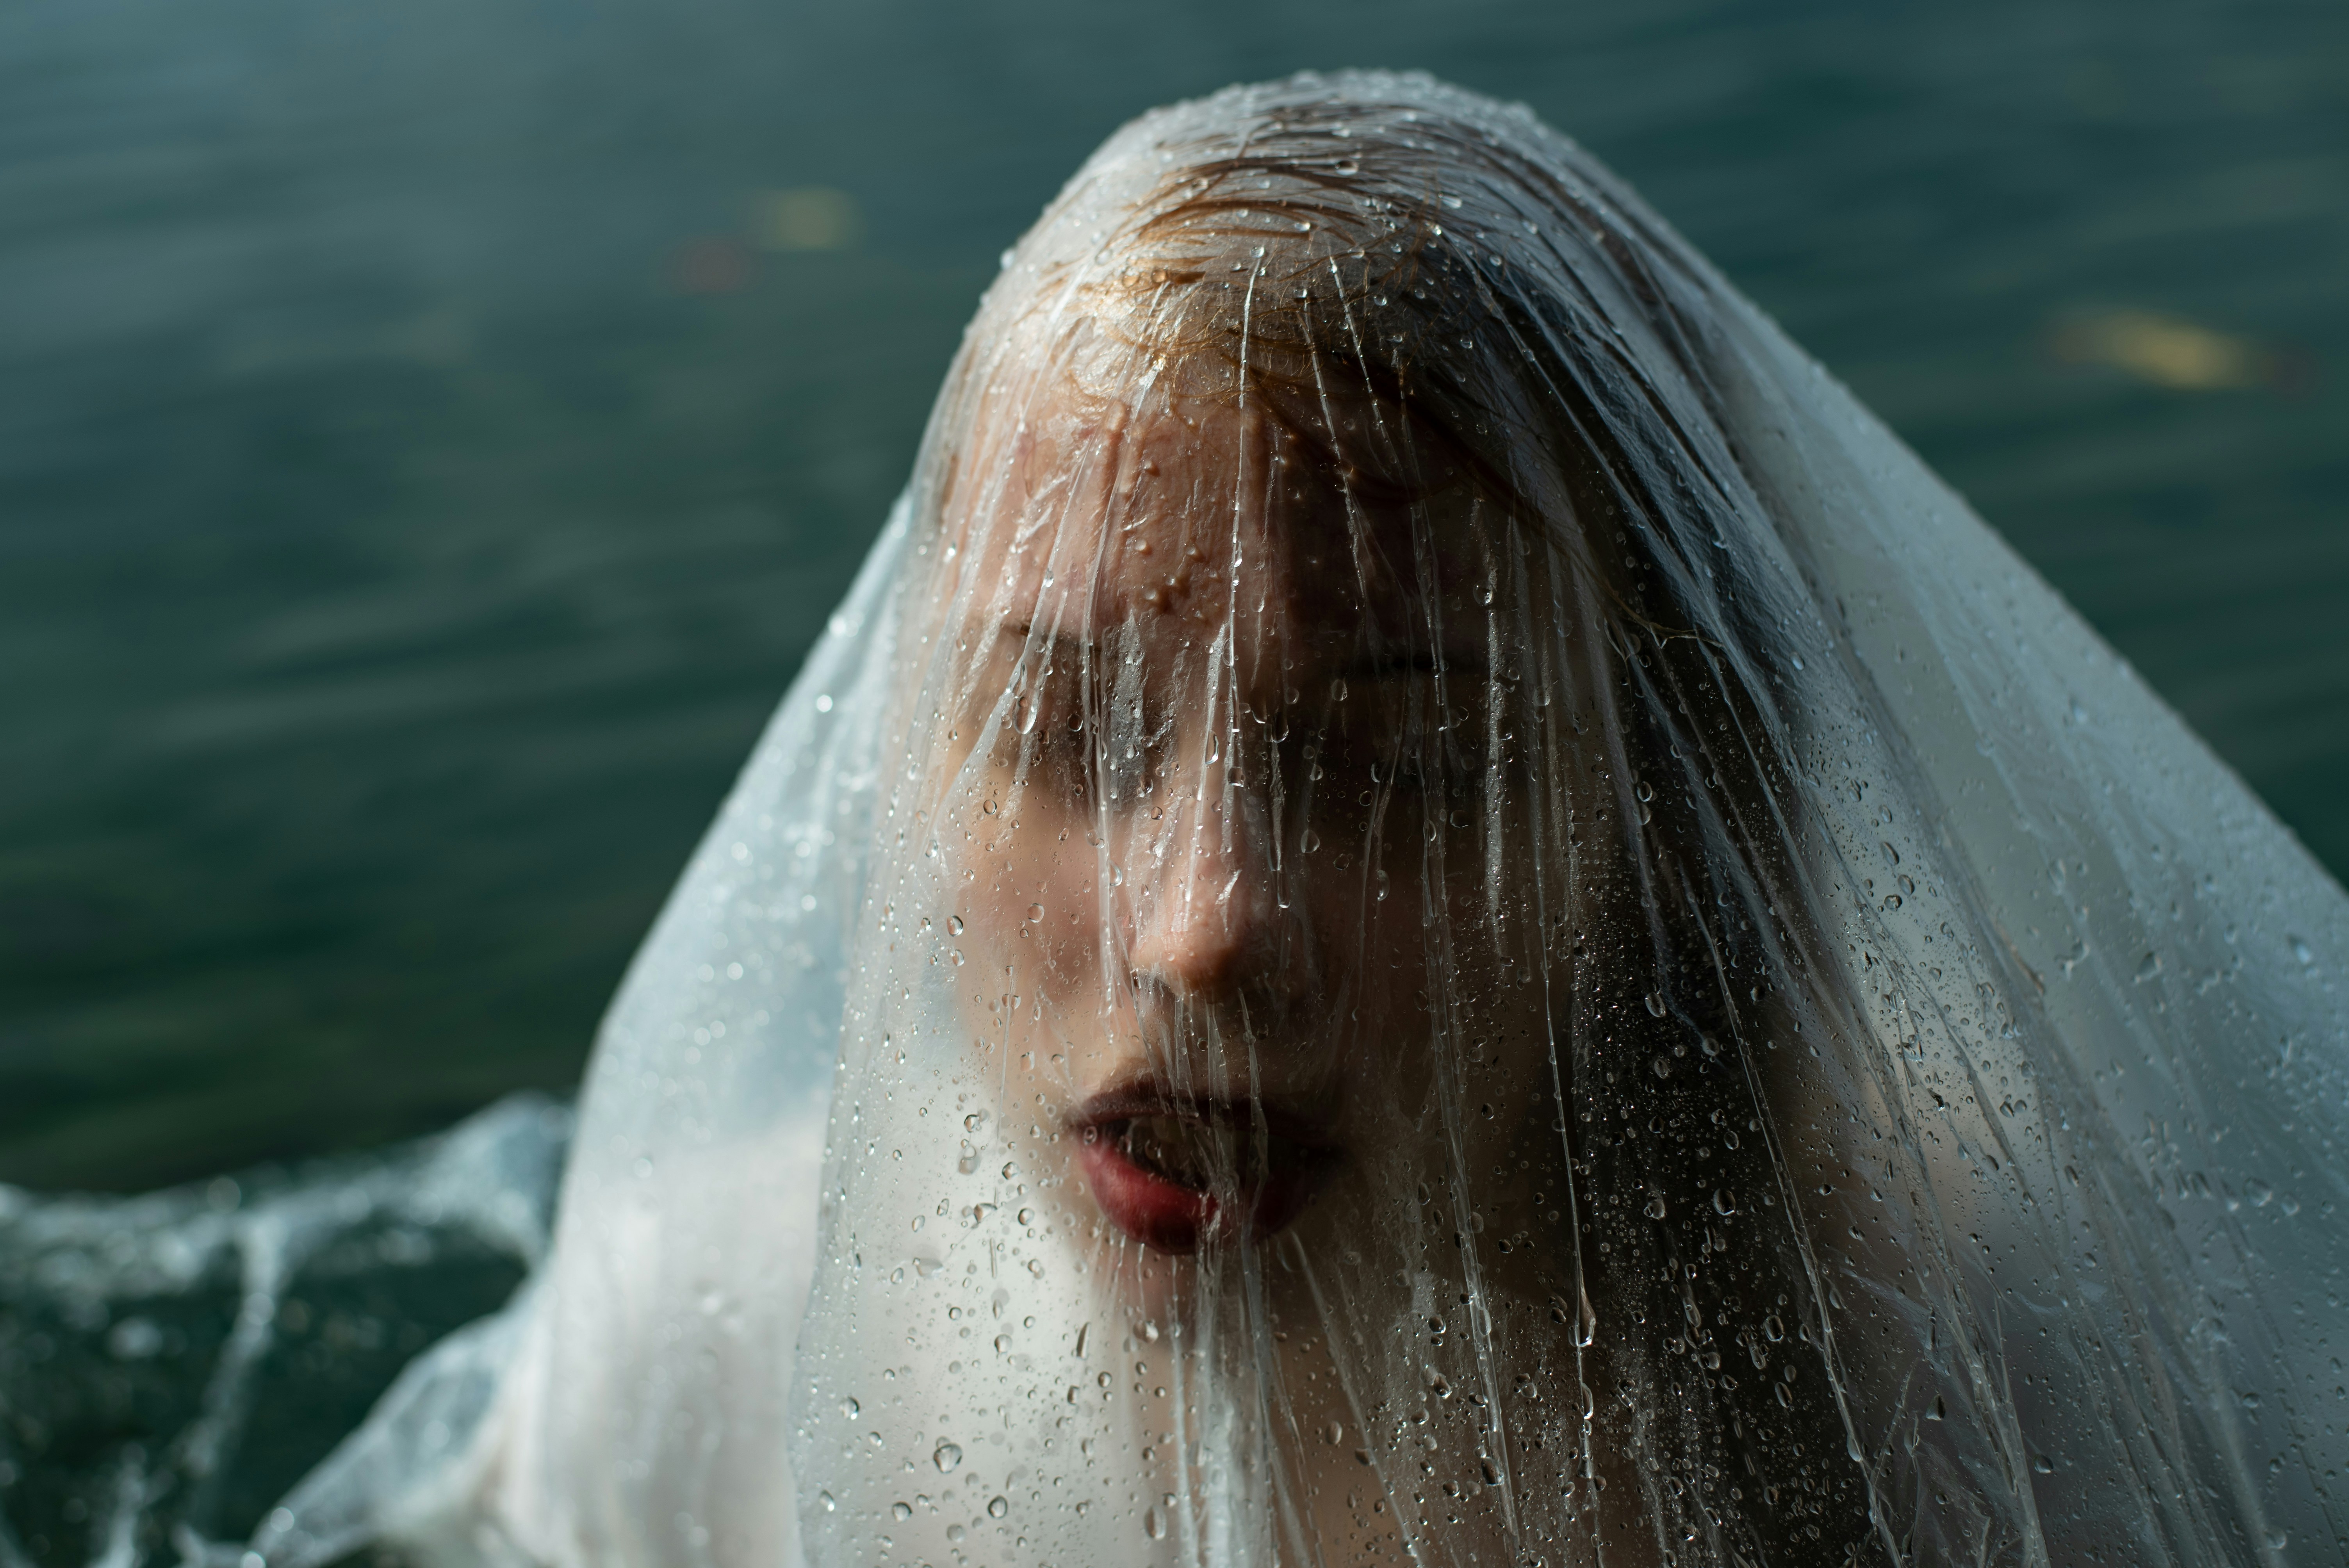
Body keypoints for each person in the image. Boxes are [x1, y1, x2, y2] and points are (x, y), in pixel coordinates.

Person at [262, 72, 2349, 1568]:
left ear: (1671, 831)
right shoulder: (695, 1343)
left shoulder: (2049, 1449)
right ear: (901, 759)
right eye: (1065, 725)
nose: (1203, 926)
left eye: (1415, 755)